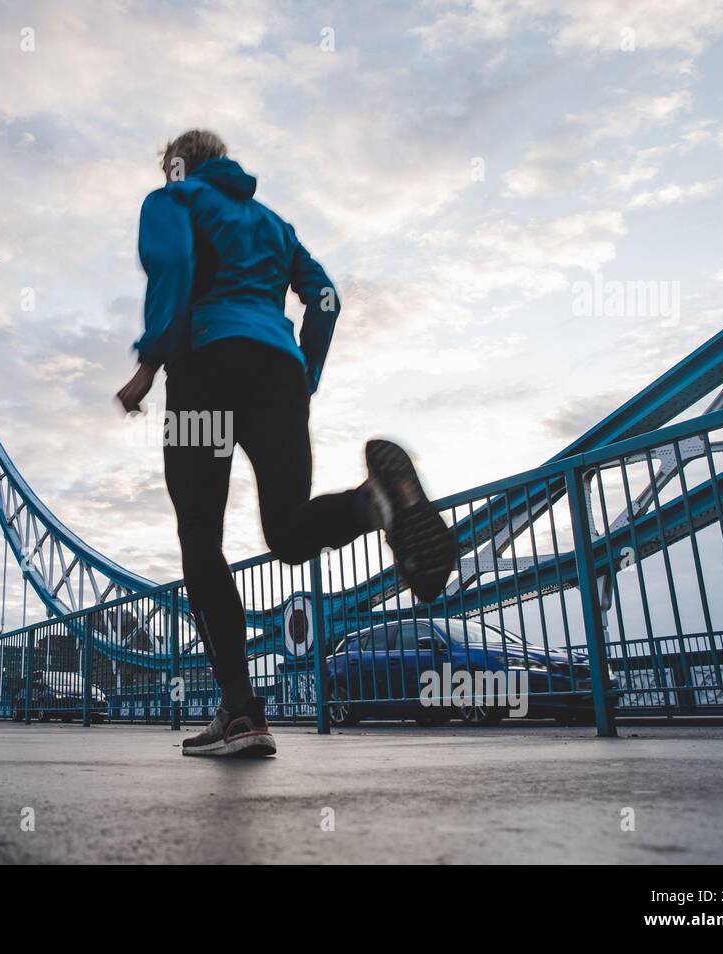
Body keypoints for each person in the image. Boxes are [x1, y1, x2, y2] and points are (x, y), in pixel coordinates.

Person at [116, 130, 454, 757]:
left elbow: (176, 268)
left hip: (204, 376)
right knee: (289, 531)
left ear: (179, 162)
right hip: (277, 376)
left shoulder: (174, 201)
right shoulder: (274, 223)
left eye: (169, 165)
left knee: (200, 538)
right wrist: (307, 370)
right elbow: (324, 296)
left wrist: (149, 363)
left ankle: (240, 713)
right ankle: (375, 502)